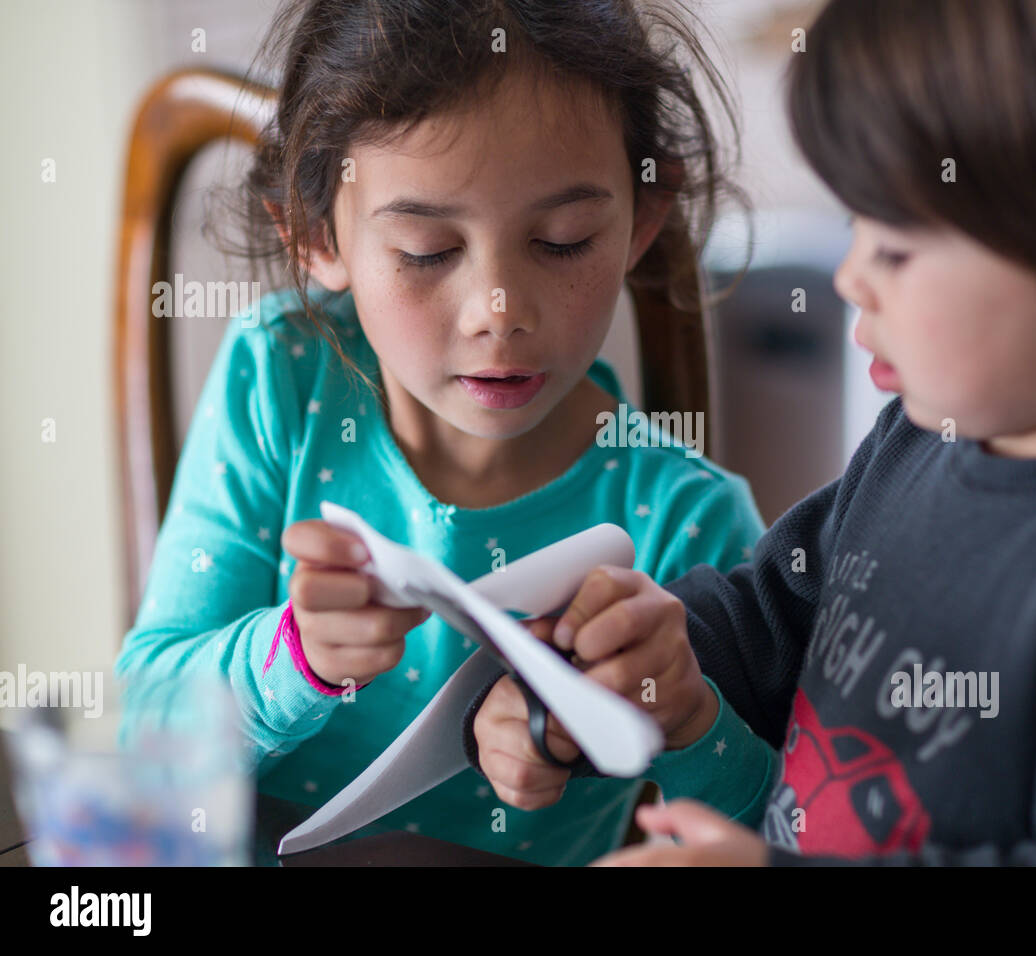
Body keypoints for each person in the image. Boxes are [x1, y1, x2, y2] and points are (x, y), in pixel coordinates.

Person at [466, 0, 1036, 865]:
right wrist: (633, 660)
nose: (850, 276)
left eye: (896, 247)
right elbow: (773, 619)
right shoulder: (926, 437)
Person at [114, 0, 775, 867]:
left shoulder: (684, 517)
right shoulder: (282, 378)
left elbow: (785, 824)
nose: (498, 314)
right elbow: (144, 726)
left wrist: (686, 718)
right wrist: (295, 660)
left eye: (563, 241)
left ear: (640, 224)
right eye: (427, 249)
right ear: (318, 235)